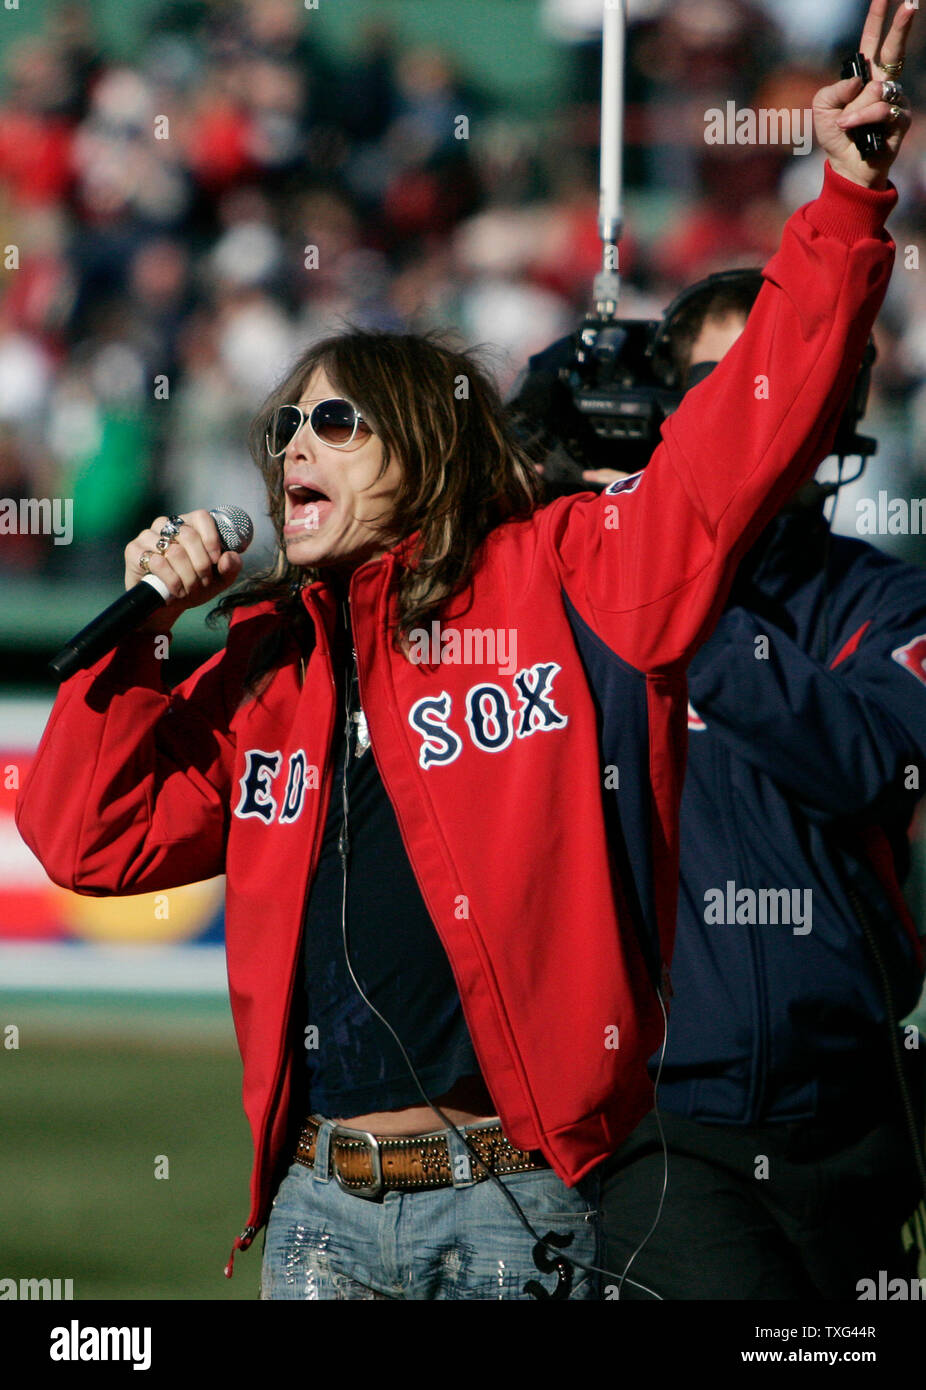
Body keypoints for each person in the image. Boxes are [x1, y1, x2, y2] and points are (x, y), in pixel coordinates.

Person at [15, 0, 916, 1301]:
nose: (294, 452)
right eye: (283, 431)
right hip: (320, 1209)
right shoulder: (268, 662)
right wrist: (136, 641)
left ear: (419, 454)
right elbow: (91, 839)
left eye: (332, 421)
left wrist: (840, 200)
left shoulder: (559, 572)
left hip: (516, 1200)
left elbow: (729, 452)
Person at [587, 272, 926, 1300]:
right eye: (715, 380)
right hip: (665, 1126)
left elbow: (869, 758)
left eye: (779, 378)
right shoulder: (579, 582)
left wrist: (672, 588)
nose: (749, 405)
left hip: (857, 1118)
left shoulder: (886, 595)